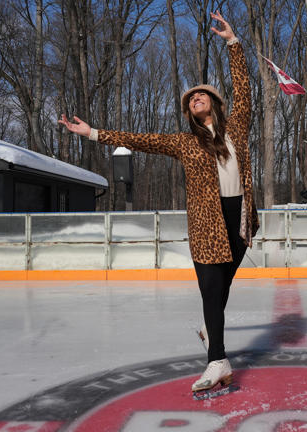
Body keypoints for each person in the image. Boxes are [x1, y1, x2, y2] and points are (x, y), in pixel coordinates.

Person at [58, 11, 258, 394]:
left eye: (201, 94)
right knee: (211, 289)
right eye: (190, 99)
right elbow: (140, 139)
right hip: (206, 222)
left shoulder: (236, 127)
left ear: (214, 102)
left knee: (221, 287)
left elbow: (244, 87)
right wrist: (93, 132)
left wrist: (233, 43)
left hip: (239, 216)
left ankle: (210, 331)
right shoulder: (184, 142)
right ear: (189, 113)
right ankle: (217, 359)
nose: (195, 98)